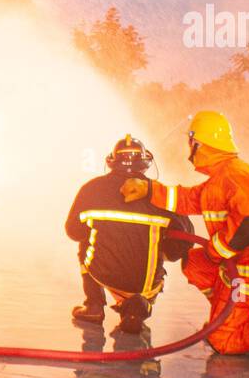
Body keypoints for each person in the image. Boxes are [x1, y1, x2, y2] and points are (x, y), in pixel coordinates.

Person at [121, 110, 249, 356]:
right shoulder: (219, 179)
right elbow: (187, 199)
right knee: (194, 262)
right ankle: (228, 314)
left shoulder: (236, 174)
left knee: (223, 340)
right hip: (238, 262)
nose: (188, 149)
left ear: (199, 143)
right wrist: (148, 190)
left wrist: (218, 249)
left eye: (191, 142)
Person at [66, 135, 193, 334]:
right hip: (145, 282)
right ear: (145, 165)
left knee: (85, 242)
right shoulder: (162, 195)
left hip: (103, 274)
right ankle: (139, 306)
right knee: (157, 254)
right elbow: (184, 242)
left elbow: (73, 231)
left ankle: (94, 305)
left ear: (111, 162)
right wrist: (163, 251)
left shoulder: (90, 189)